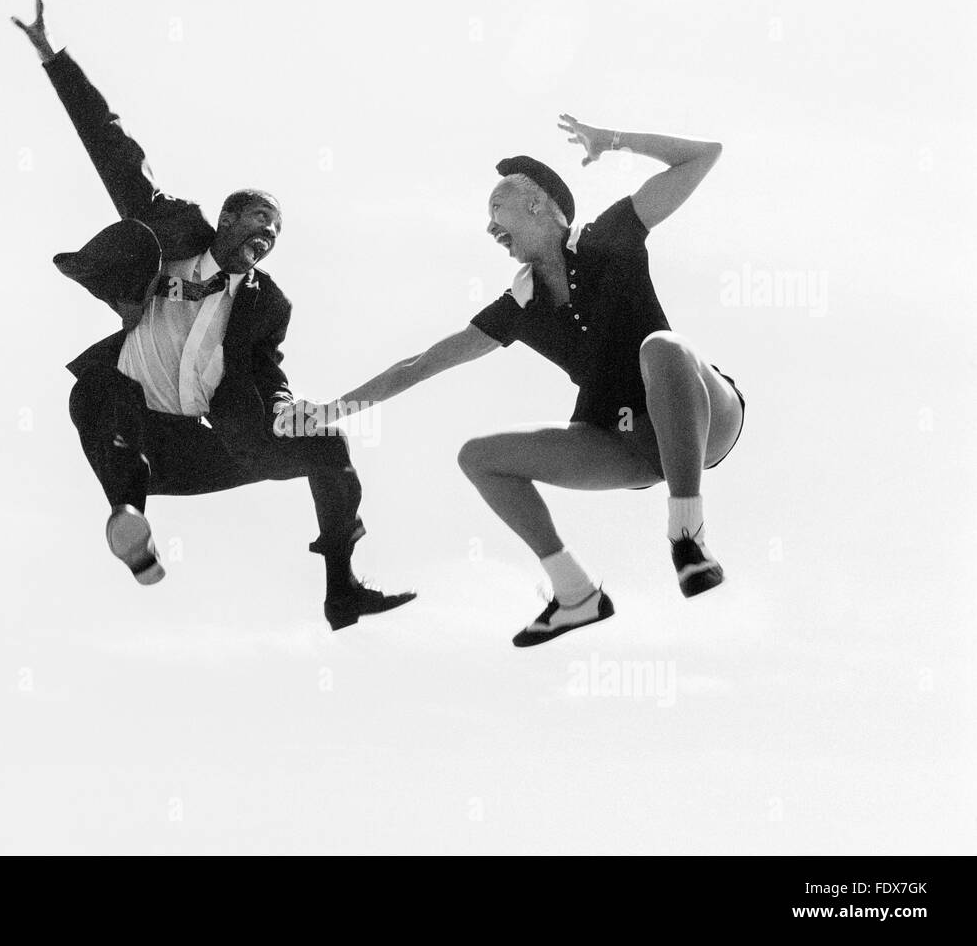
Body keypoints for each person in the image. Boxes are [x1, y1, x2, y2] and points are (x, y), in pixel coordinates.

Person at [12, 0, 414, 630]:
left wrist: (284, 406)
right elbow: (110, 143)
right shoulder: (167, 229)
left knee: (329, 446)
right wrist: (52, 56)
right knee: (103, 401)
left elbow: (266, 373)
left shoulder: (267, 304)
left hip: (199, 446)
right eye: (260, 219)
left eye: (277, 231)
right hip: (125, 417)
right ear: (226, 218)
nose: (270, 234)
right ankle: (129, 520)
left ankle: (342, 588)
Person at [311, 114, 744, 647]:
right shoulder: (520, 305)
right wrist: (327, 412)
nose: (491, 228)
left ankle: (687, 538)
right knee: (479, 456)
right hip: (626, 444)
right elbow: (419, 365)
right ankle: (575, 595)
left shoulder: (610, 237)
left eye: (498, 209)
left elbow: (704, 154)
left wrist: (613, 141)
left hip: (704, 418)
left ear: (538, 204)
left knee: (661, 347)